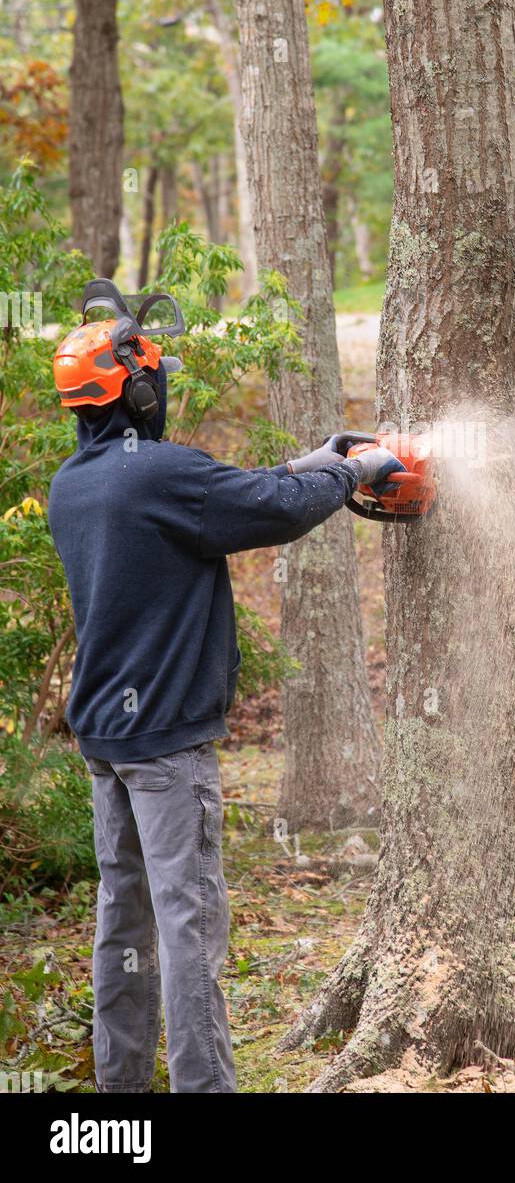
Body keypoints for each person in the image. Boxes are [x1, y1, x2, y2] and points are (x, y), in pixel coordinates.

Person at [47, 282, 401, 1094]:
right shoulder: (162, 476)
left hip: (107, 742)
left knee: (122, 923)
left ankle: (121, 1098)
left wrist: (318, 462)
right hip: (169, 746)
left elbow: (235, 497)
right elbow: (265, 510)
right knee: (189, 927)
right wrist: (353, 476)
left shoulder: (80, 484)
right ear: (136, 390)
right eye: (152, 375)